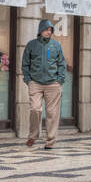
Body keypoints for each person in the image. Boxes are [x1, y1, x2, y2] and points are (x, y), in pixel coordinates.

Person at [22, 18, 66, 149]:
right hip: (35, 83)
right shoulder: (31, 45)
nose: (49, 32)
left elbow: (62, 63)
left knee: (52, 113)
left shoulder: (56, 45)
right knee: (35, 109)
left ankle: (50, 141)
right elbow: (25, 63)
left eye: (50, 30)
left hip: (53, 84)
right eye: (46, 29)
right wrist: (28, 80)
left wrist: (60, 80)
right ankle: (33, 136)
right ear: (40, 31)